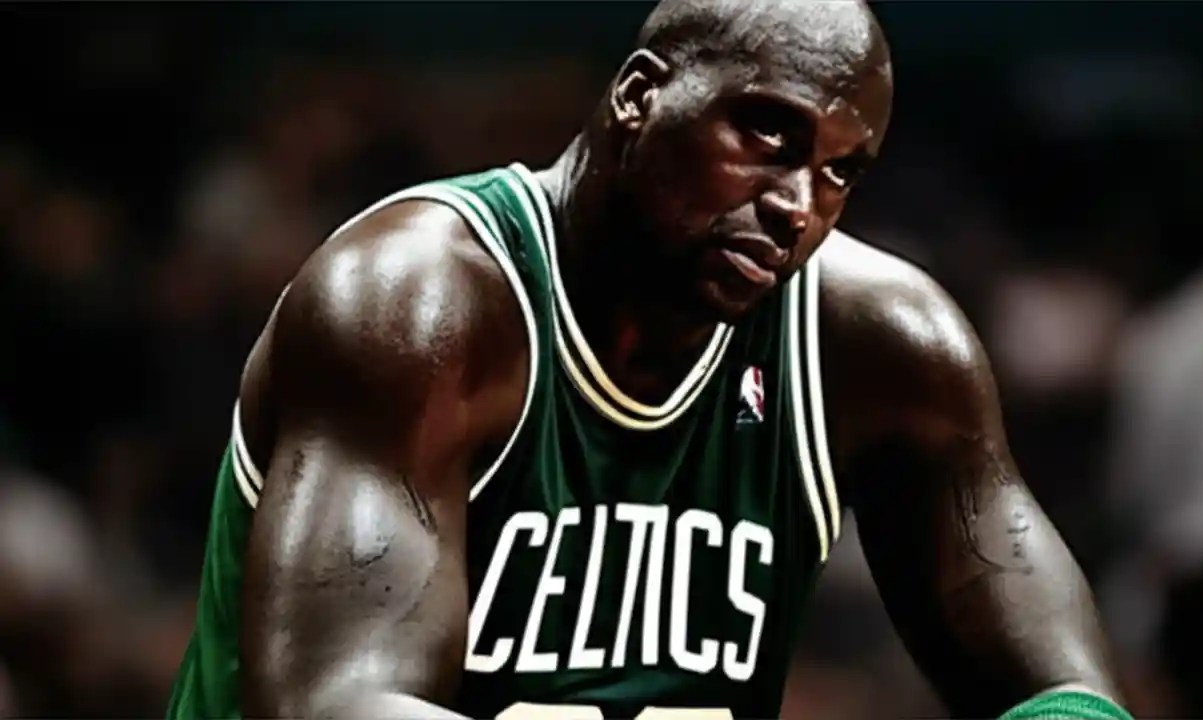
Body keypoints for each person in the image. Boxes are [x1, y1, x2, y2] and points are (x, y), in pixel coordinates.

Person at [168, 1, 1132, 718]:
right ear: (639, 96)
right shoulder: (417, 304)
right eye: (768, 133)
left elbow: (1062, 687)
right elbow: (336, 702)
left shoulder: (882, 342)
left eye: (839, 169)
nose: (799, 202)